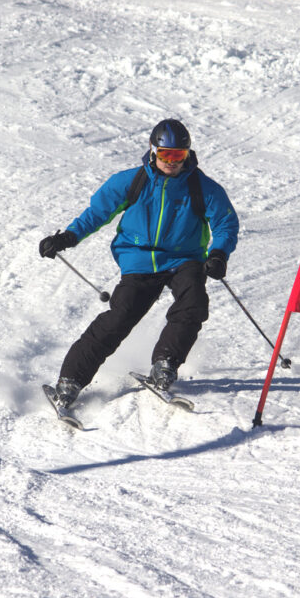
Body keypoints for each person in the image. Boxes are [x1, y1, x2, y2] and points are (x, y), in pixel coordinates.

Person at [39, 119, 239, 408]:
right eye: (166, 155)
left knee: (193, 302)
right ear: (153, 151)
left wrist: (218, 253)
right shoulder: (131, 181)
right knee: (120, 317)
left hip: (184, 258)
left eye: (179, 156)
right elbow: (97, 213)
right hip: (138, 259)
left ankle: (165, 365)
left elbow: (225, 223)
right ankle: (70, 381)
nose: (172, 162)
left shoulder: (202, 188)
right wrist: (67, 237)